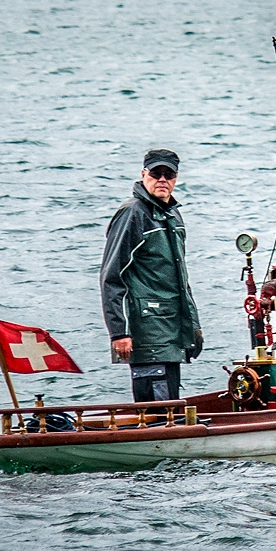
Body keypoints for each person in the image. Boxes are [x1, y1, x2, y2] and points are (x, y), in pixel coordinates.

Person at [100, 148, 202, 402]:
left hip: (172, 329)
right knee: (157, 408)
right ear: (144, 174)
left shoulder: (172, 214)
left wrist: (194, 325)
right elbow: (111, 276)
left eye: (169, 175)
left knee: (171, 400)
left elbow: (180, 278)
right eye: (157, 173)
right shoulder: (133, 213)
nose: (163, 180)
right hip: (146, 331)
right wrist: (119, 332)